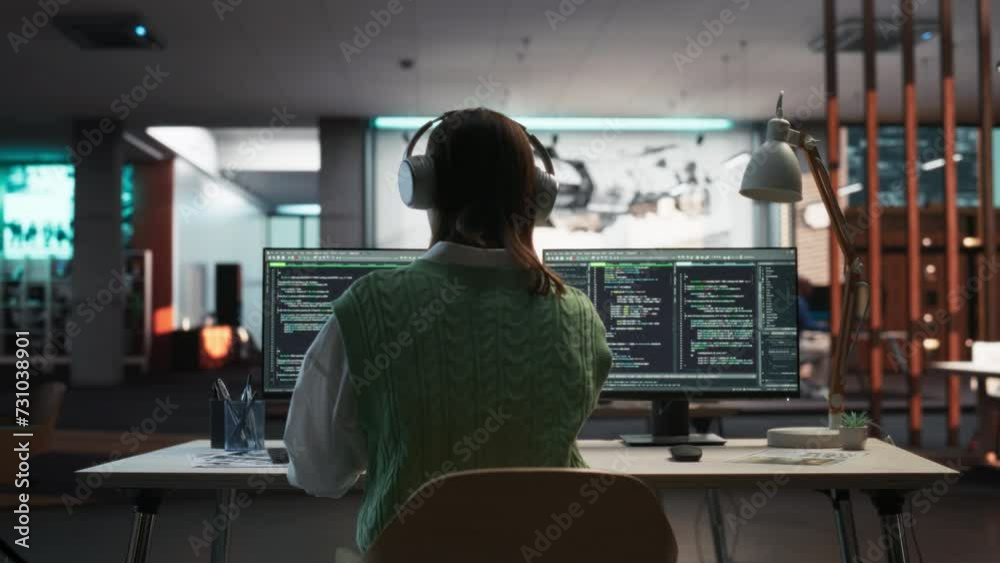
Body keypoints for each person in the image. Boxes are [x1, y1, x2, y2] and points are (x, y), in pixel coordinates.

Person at [283, 108, 612, 553]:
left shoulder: (369, 307)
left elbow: (319, 472)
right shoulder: (577, 315)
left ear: (421, 186)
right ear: (537, 196)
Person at [797, 277, 831, 398]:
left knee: (822, 347)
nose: (811, 290)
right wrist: (830, 327)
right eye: (809, 287)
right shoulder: (799, 301)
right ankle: (818, 386)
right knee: (829, 349)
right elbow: (808, 324)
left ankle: (810, 383)